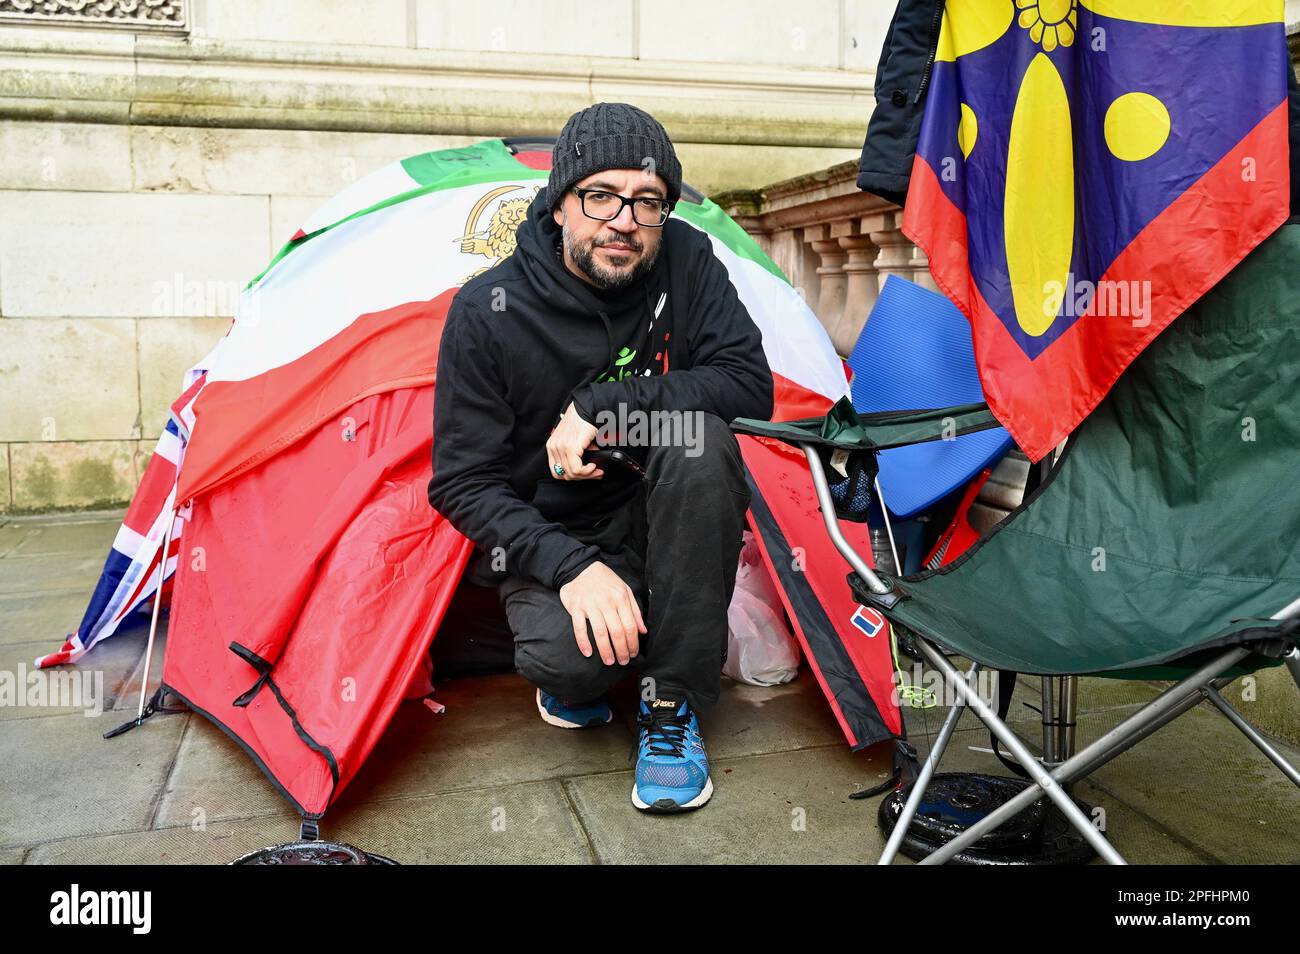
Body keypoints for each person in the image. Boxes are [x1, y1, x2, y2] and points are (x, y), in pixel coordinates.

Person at [428, 102, 773, 812]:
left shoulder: (686, 259)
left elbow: (749, 385)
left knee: (703, 438)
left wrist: (603, 405)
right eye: (601, 196)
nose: (625, 220)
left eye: (649, 202)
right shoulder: (487, 311)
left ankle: (672, 707)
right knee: (574, 666)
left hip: (662, 516)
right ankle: (594, 652)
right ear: (559, 204)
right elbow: (462, 484)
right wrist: (571, 568)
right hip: (556, 538)